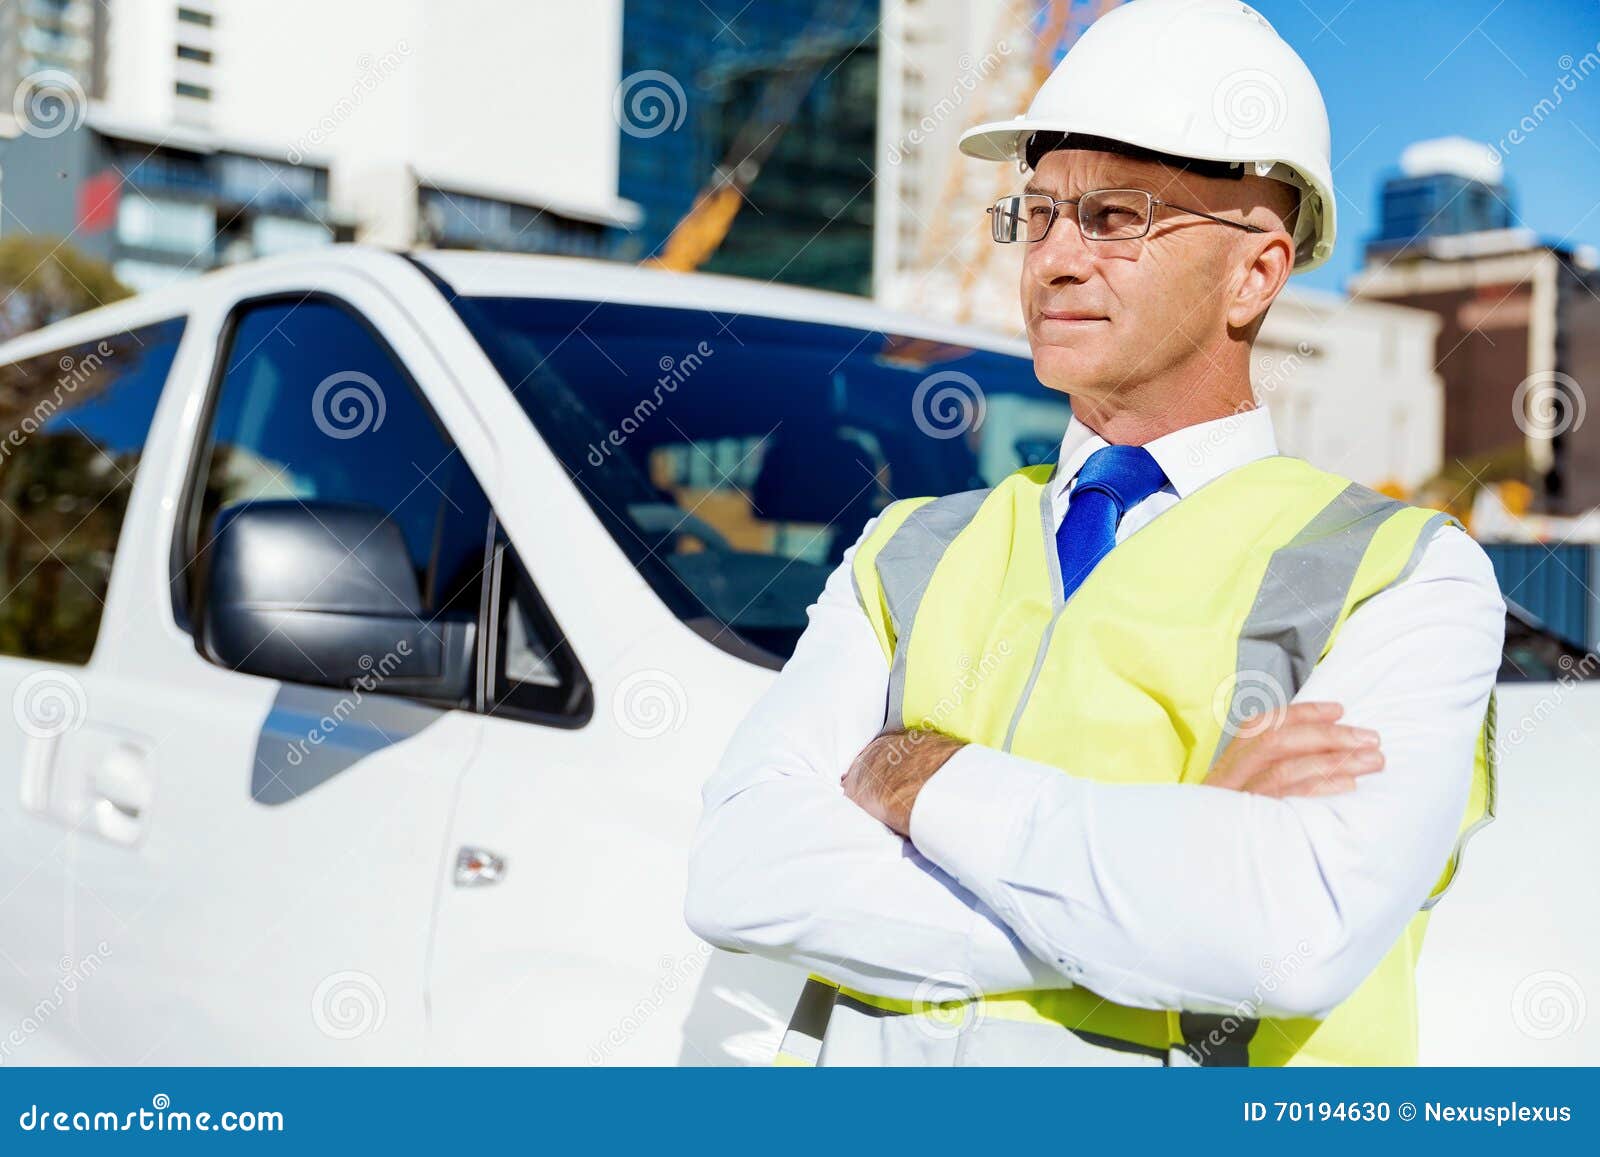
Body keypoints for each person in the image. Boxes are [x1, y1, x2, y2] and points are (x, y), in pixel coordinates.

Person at [684, 0, 1504, 1066]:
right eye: (1035, 214)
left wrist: (914, 775)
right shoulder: (906, 551)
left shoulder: (1404, 576)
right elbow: (740, 871)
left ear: (1253, 271)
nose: (1053, 260)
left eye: (1115, 218)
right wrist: (1172, 853)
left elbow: (1286, 938)